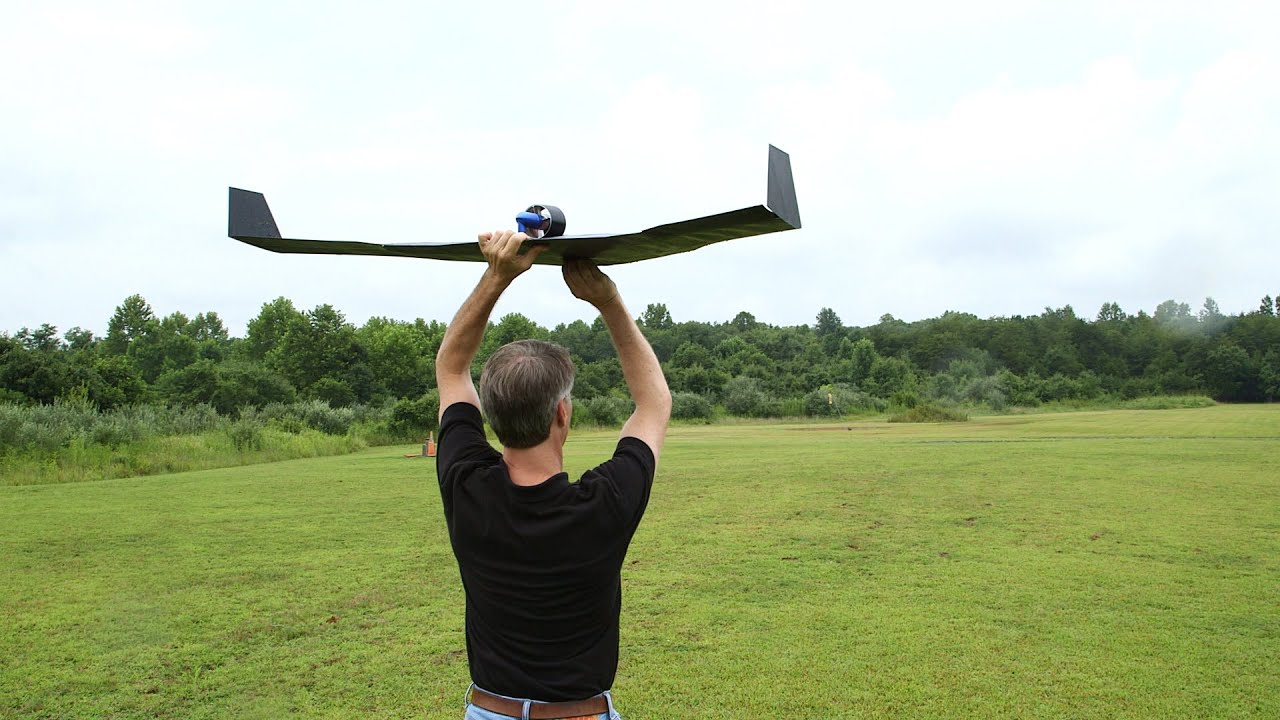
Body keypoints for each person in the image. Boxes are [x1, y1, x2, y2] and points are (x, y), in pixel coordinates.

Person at [435, 229, 672, 720]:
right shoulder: (604, 505)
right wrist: (607, 301)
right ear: (562, 414)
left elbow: (451, 368)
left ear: (491, 417)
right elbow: (654, 402)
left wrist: (496, 276)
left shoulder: (466, 485)